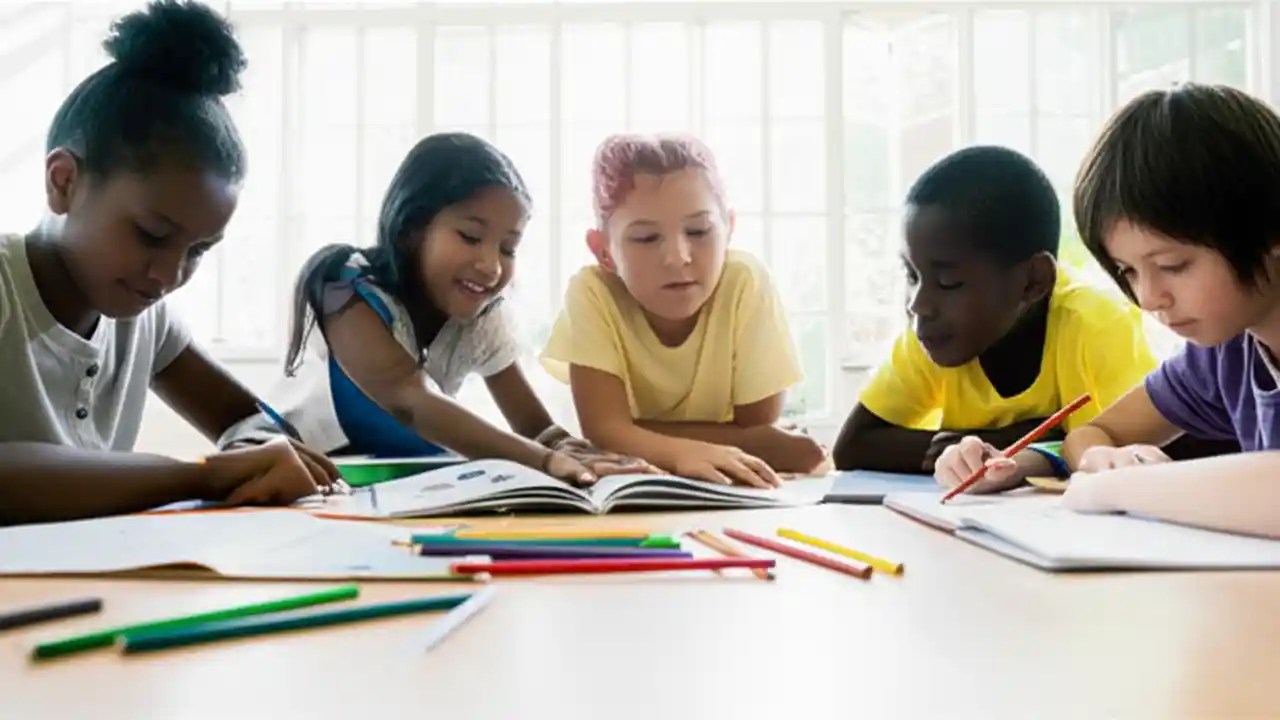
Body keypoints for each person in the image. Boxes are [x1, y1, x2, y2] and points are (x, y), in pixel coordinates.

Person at [0, 0, 341, 526]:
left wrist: (262, 453)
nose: (170, 276)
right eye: (151, 234)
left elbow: (248, 420)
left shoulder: (146, 322)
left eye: (199, 250)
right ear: (64, 182)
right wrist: (200, 475)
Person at [541, 133, 826, 488]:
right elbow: (602, 432)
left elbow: (759, 425)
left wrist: (632, 435)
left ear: (729, 230)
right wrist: (687, 452)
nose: (678, 257)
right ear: (603, 251)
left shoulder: (745, 282)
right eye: (646, 238)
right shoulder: (592, 292)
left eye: (698, 231)